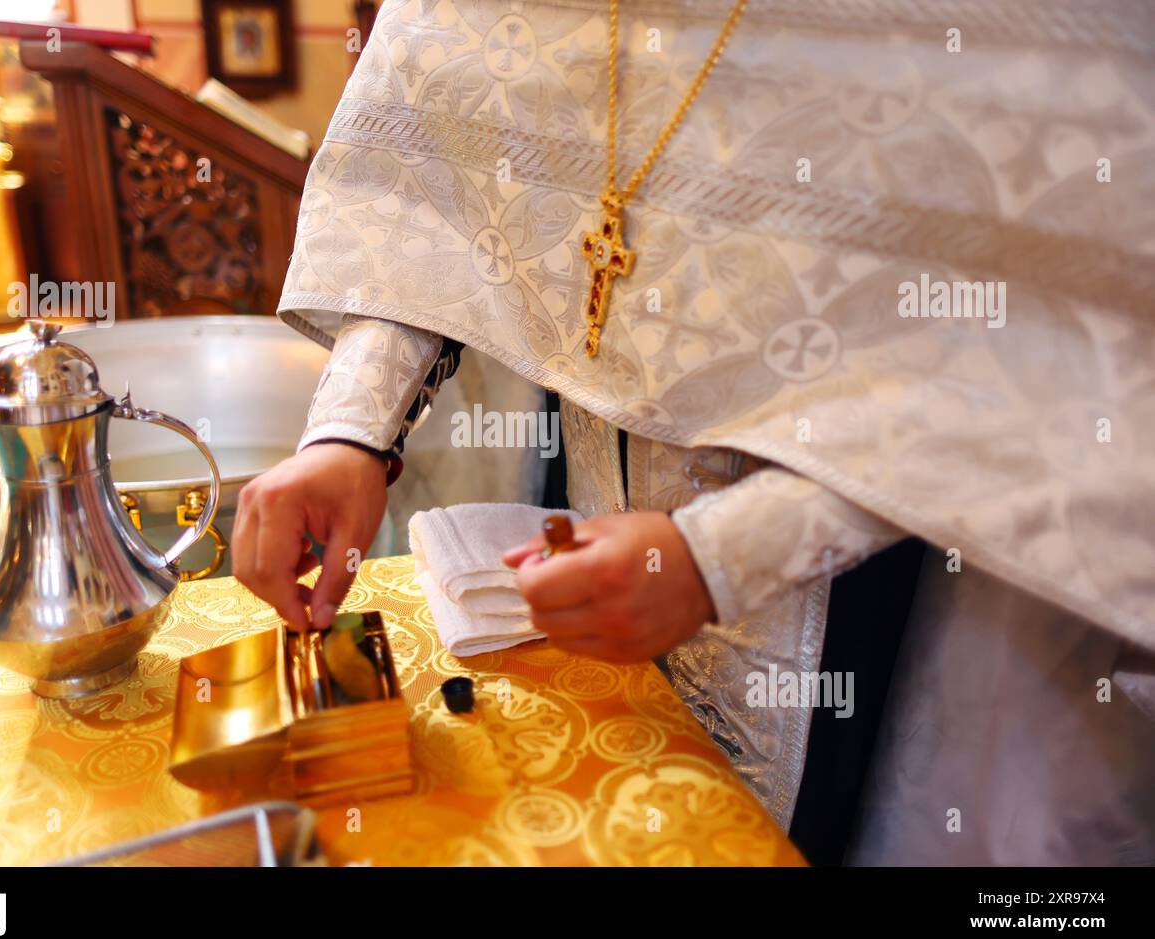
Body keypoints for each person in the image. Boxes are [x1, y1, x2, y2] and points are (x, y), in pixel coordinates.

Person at [233, 0, 1155, 863]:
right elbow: (433, 175)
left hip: (904, 568)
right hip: (587, 484)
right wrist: (353, 431)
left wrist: (729, 554)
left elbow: (1038, 332)